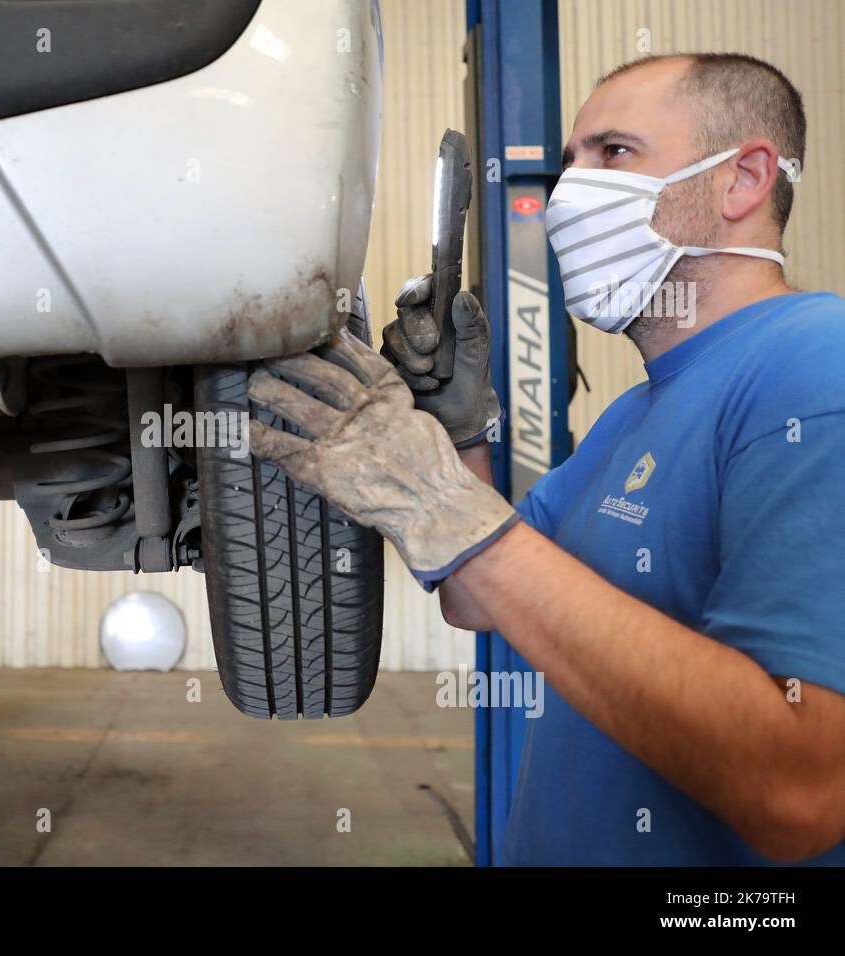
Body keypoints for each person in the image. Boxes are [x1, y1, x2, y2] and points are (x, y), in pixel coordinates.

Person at [247, 52, 845, 865]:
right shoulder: (639, 410)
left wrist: (435, 504)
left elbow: (800, 790)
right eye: (570, 163)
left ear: (742, 180)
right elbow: (477, 596)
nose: (569, 197)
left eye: (615, 154)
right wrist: (459, 435)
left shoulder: (816, 368)